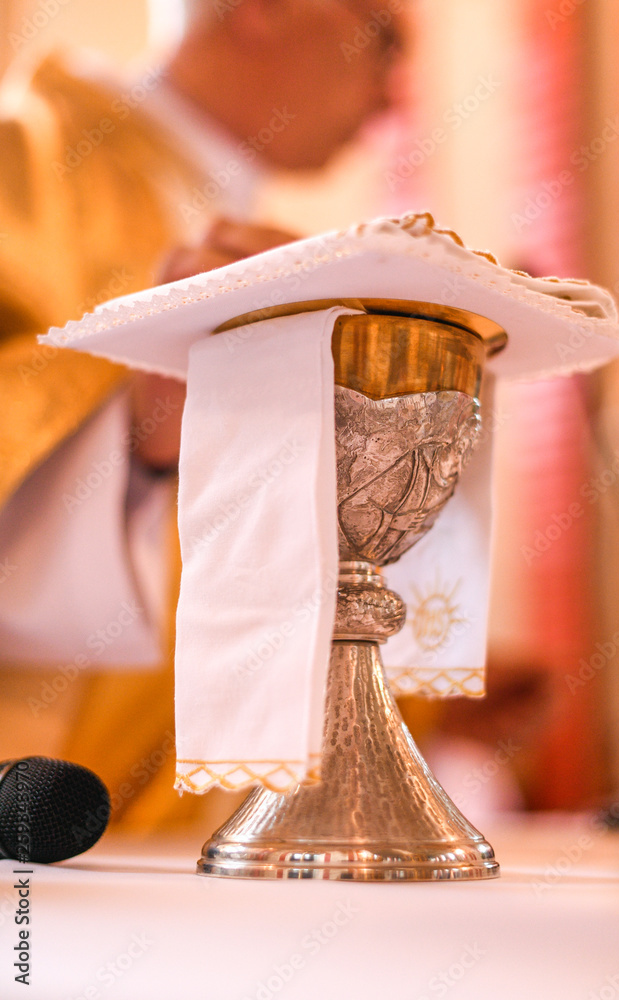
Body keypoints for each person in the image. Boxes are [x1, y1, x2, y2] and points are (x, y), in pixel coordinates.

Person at [0, 0, 407, 830]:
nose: (392, 95)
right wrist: (136, 428)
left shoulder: (247, 226)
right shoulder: (26, 161)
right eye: (383, 36)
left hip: (185, 824)